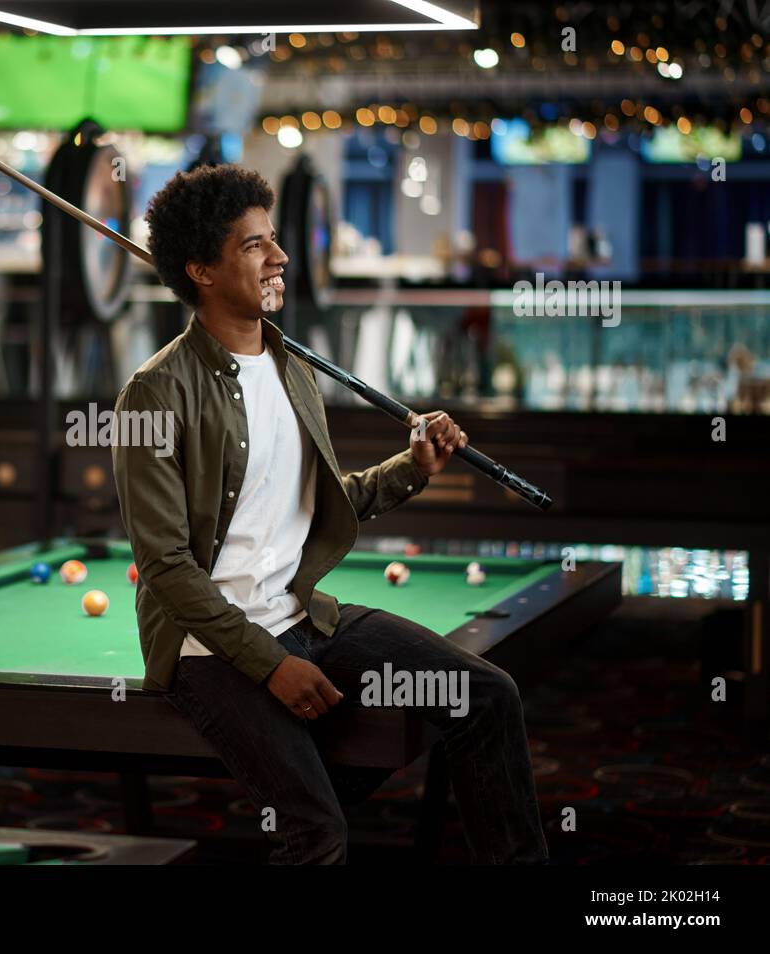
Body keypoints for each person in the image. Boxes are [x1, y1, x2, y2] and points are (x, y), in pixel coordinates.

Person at [110, 164, 548, 864]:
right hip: (210, 651)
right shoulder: (153, 395)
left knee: (487, 699)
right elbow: (165, 567)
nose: (280, 257)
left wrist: (413, 468)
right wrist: (269, 666)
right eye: (254, 246)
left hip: (304, 614)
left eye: (273, 239)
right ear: (202, 270)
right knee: (320, 831)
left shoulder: (292, 368)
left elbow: (314, 499)